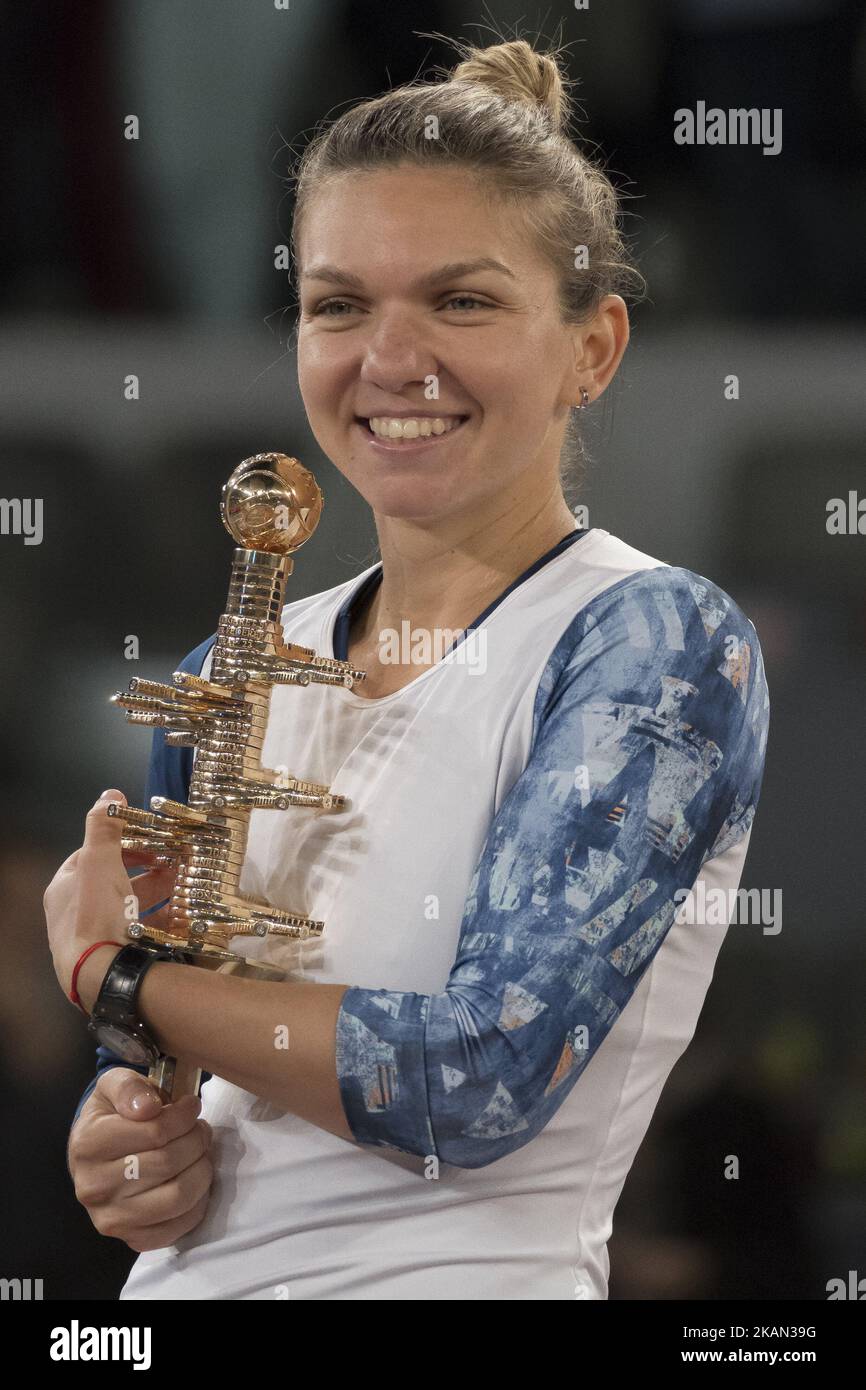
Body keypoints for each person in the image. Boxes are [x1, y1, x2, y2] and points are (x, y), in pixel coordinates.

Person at [46, 36, 770, 1300]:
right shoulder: (238, 664)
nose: (391, 357)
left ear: (591, 348)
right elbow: (186, 1069)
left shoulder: (653, 642)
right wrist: (128, 1135)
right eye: (338, 303)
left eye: (462, 300)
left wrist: (112, 977)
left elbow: (473, 1079)